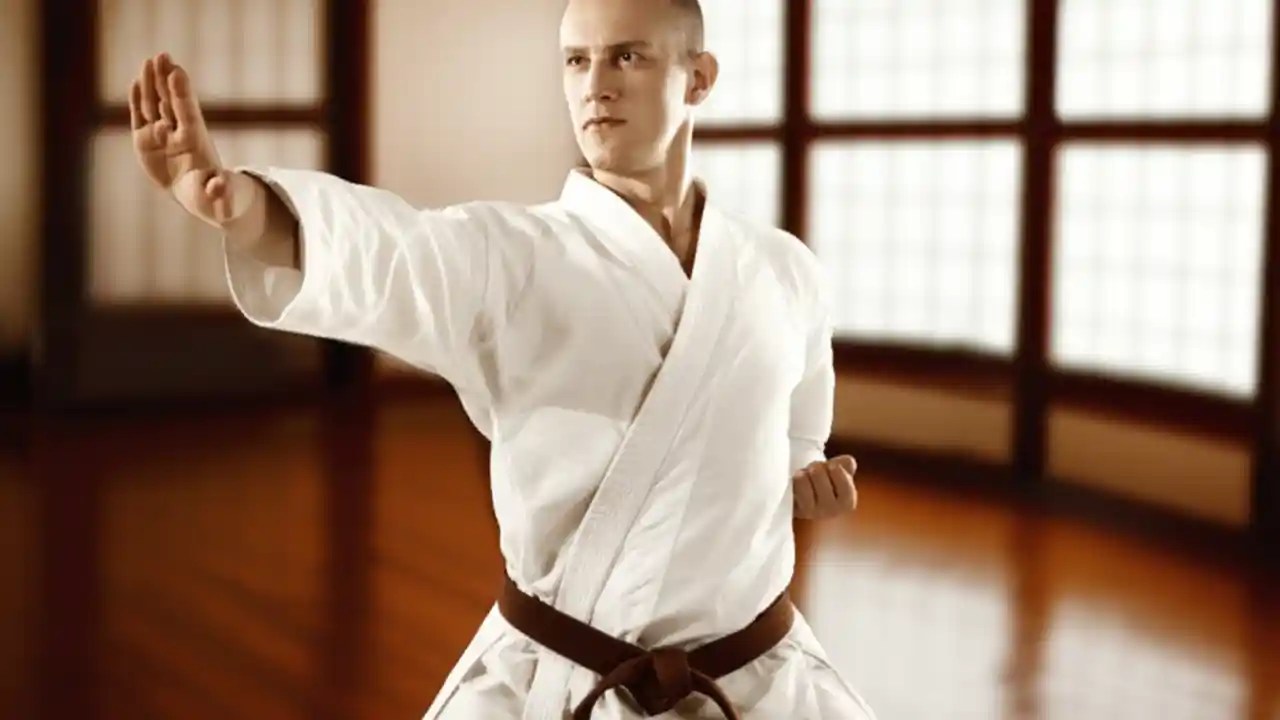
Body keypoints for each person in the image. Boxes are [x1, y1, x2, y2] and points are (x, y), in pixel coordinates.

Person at [129, 0, 876, 717]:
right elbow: (390, 253)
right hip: (568, 677)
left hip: (759, 683)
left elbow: (796, 433)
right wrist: (242, 210)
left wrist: (807, 478)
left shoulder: (784, 269)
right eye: (576, 60)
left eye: (628, 57)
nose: (596, 84)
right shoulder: (513, 254)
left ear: (699, 78)